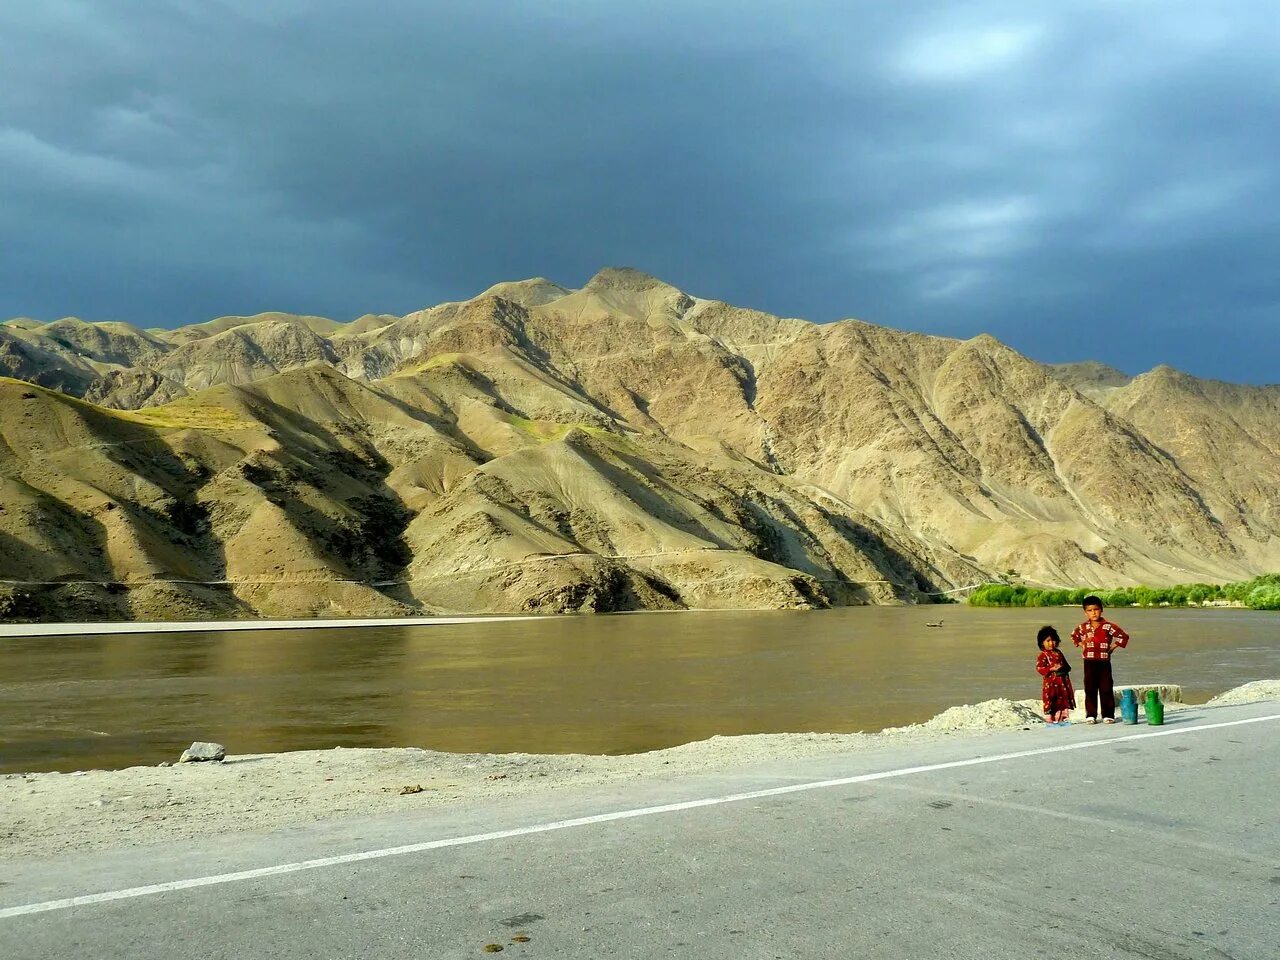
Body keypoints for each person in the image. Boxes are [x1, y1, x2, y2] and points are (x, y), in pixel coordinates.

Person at [1070, 595, 1129, 724]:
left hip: (1104, 662)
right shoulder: (1083, 627)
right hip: (1089, 662)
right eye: (1090, 610)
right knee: (1090, 688)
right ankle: (1090, 715)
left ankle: (1108, 714)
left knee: (1106, 687)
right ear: (1085, 612)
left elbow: (1123, 637)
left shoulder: (1108, 626)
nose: (1093, 613)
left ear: (1101, 609)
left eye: (1096, 609)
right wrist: (1083, 645)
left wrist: (1113, 647)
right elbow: (1074, 636)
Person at [1036, 626, 1074, 726]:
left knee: (1062, 700)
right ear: (1042, 643)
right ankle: (1051, 721)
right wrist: (1051, 669)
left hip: (1062, 682)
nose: (1051, 643)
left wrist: (1062, 668)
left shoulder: (1058, 653)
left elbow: (1067, 666)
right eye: (1048, 641)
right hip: (1051, 683)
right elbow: (1040, 668)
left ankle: (1062, 719)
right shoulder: (1043, 655)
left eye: (1053, 640)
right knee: (1052, 700)